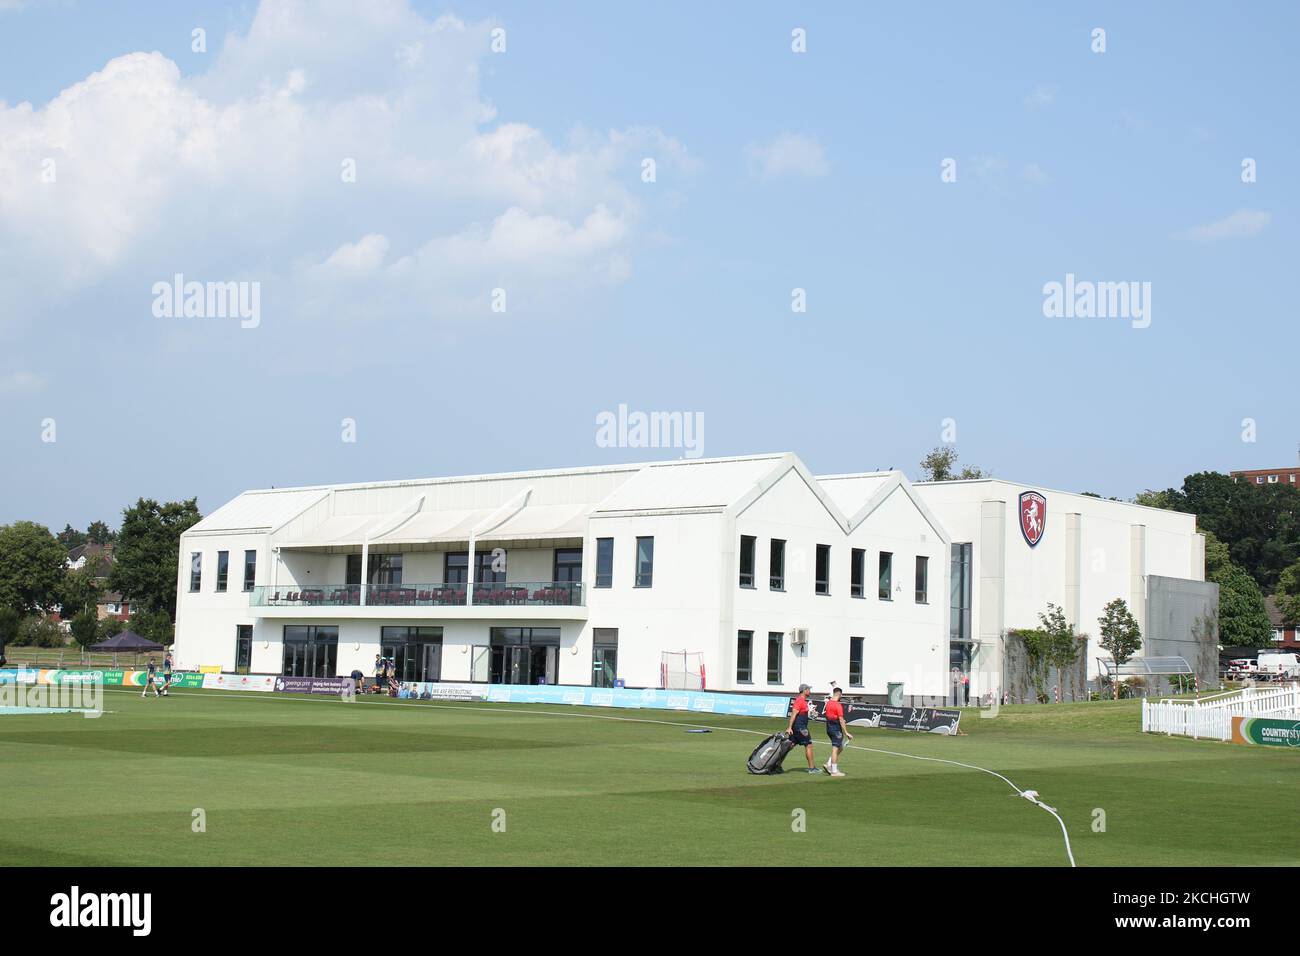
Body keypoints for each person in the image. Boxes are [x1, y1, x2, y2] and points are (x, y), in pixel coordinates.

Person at [785, 683, 821, 774]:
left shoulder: (802, 701)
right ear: (804, 690)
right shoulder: (800, 701)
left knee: (789, 746)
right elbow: (793, 714)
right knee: (808, 745)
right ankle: (812, 768)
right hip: (800, 727)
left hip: (798, 727)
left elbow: (801, 713)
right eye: (809, 689)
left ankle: (777, 764)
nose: (810, 691)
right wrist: (789, 727)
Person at [822, 686, 853, 776]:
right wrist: (846, 732)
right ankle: (834, 771)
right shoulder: (838, 705)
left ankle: (828, 763)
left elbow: (830, 716)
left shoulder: (828, 703)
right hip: (836, 729)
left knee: (840, 747)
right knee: (835, 749)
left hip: (829, 728)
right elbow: (840, 719)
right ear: (839, 694)